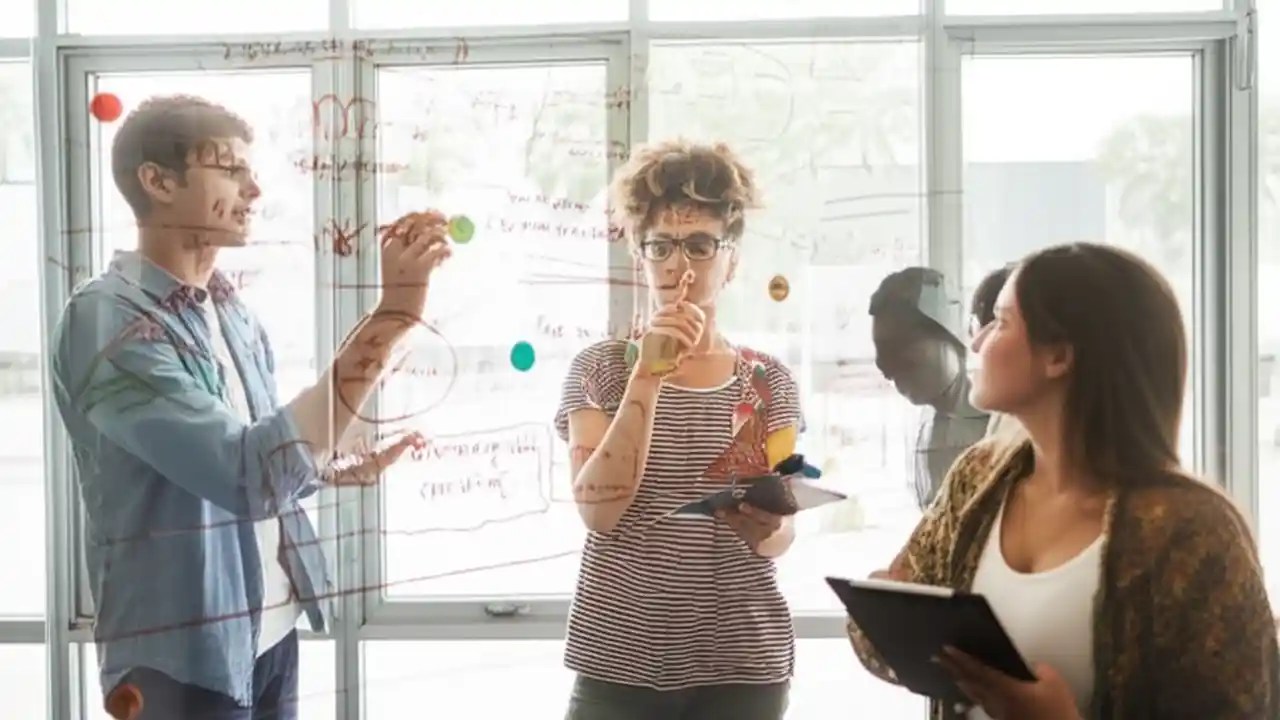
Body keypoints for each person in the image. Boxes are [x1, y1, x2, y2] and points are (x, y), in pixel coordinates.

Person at [50, 95, 451, 719]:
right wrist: (393, 316)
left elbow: (267, 451)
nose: (255, 189)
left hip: (268, 632)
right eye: (231, 171)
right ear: (156, 181)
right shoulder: (109, 321)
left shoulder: (229, 310)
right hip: (178, 660)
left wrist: (342, 467)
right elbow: (247, 473)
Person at [848, 243, 1279, 719]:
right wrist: (879, 614)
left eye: (1001, 321)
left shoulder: (1194, 531)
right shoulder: (977, 478)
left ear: (1058, 356)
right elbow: (885, 635)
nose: (977, 341)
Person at [555, 140, 803, 720]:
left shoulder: (768, 380)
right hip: (621, 660)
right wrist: (648, 372)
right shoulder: (600, 369)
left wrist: (768, 527)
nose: (680, 266)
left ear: (732, 259)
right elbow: (598, 512)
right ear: (640, 255)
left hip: (744, 661)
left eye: (700, 245)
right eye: (661, 246)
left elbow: (783, 534)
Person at [869, 267, 988, 509]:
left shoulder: (1001, 419)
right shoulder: (918, 425)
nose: (885, 367)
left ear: (951, 339)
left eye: (902, 346)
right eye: (881, 349)